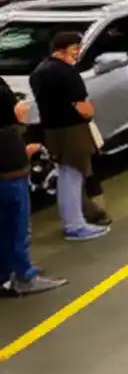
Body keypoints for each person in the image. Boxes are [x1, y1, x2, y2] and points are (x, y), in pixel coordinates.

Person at [29, 32, 110, 240]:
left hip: (52, 131)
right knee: (73, 177)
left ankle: (73, 221)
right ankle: (75, 225)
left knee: (65, 175)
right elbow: (84, 108)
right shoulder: (66, 73)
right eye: (75, 48)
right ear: (62, 49)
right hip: (72, 131)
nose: (77, 53)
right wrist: (89, 110)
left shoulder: (39, 72)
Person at [0, 78, 68, 295]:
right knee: (16, 226)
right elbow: (11, 114)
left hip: (9, 164)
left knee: (5, 228)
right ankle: (23, 276)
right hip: (8, 171)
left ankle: (6, 274)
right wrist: (16, 113)